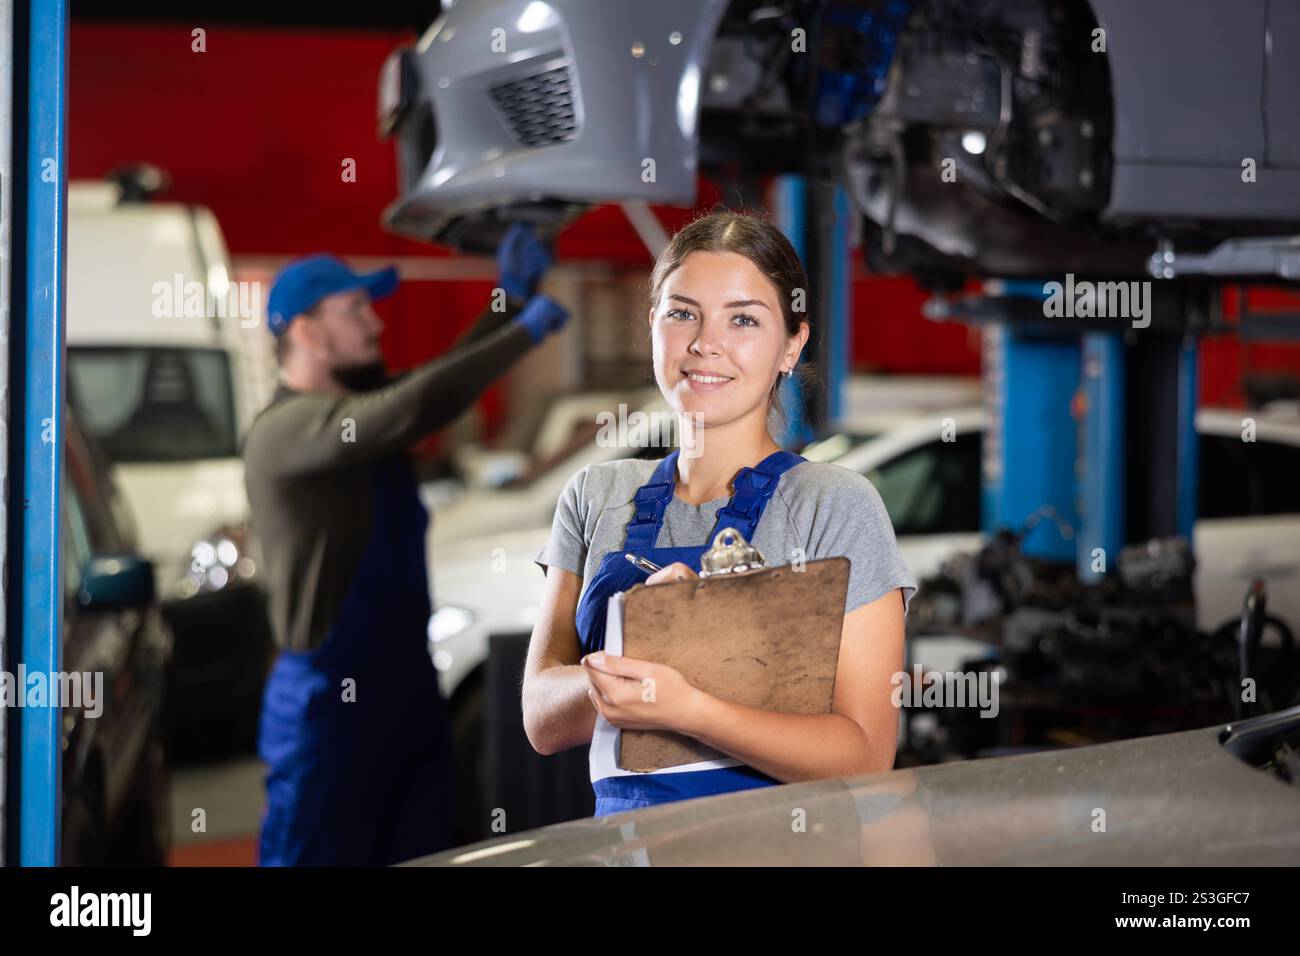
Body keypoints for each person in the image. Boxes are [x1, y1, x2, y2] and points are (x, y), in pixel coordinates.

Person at [523, 210, 916, 816]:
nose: (706, 343)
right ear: (653, 323)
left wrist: (688, 704)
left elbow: (864, 754)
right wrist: (648, 647)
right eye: (683, 313)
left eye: (743, 320)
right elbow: (543, 718)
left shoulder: (833, 505)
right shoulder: (595, 494)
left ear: (792, 345)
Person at [245, 223, 568, 864]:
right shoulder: (284, 432)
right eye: (355, 309)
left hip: (407, 688)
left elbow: (427, 389)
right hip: (327, 706)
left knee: (421, 853)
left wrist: (504, 300)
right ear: (306, 331)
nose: (376, 323)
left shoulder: (365, 415)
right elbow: (412, 406)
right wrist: (522, 332)